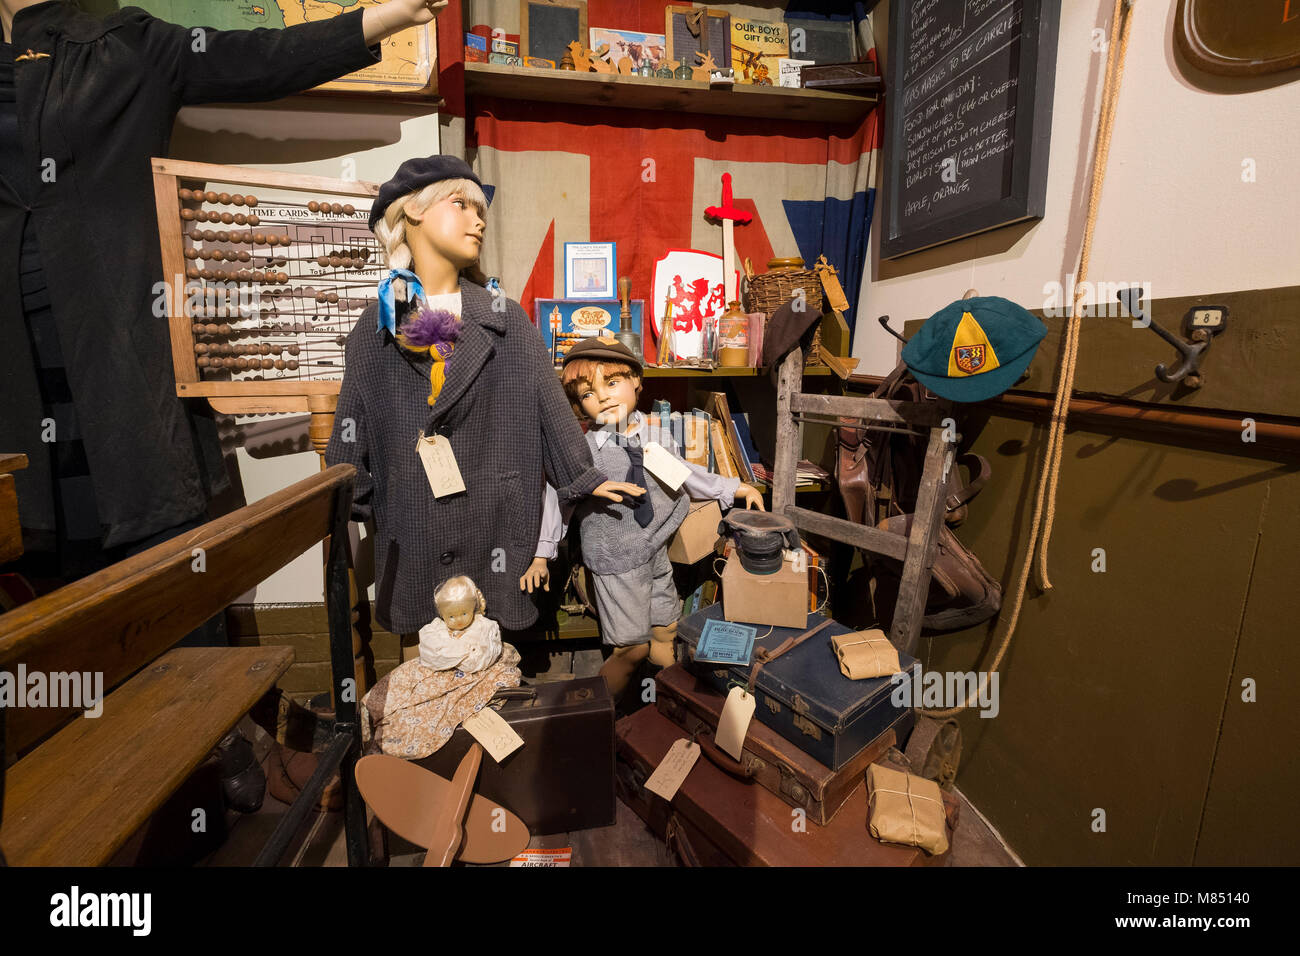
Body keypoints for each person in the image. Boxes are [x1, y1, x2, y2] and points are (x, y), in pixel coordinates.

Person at [0, 0, 447, 589]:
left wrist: (386, 16)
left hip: (115, 334)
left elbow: (258, 58)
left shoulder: (124, 45)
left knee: (140, 515)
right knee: (29, 520)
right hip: (13, 348)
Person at [325, 154, 643, 652]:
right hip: (413, 525)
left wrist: (585, 479)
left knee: (494, 669)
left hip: (496, 518)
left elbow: (550, 411)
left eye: (482, 211)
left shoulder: (505, 320)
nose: (478, 220)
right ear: (412, 212)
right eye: (461, 204)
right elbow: (352, 427)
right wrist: (351, 502)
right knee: (425, 669)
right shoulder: (377, 327)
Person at [557, 335, 765, 697]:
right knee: (630, 647)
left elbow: (683, 473)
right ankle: (595, 712)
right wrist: (542, 554)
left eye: (612, 382)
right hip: (617, 559)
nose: (603, 397)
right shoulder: (582, 453)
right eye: (588, 393)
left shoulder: (657, 434)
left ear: (636, 380)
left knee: (666, 627)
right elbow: (559, 501)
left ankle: (671, 700)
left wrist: (732, 488)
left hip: (657, 548)